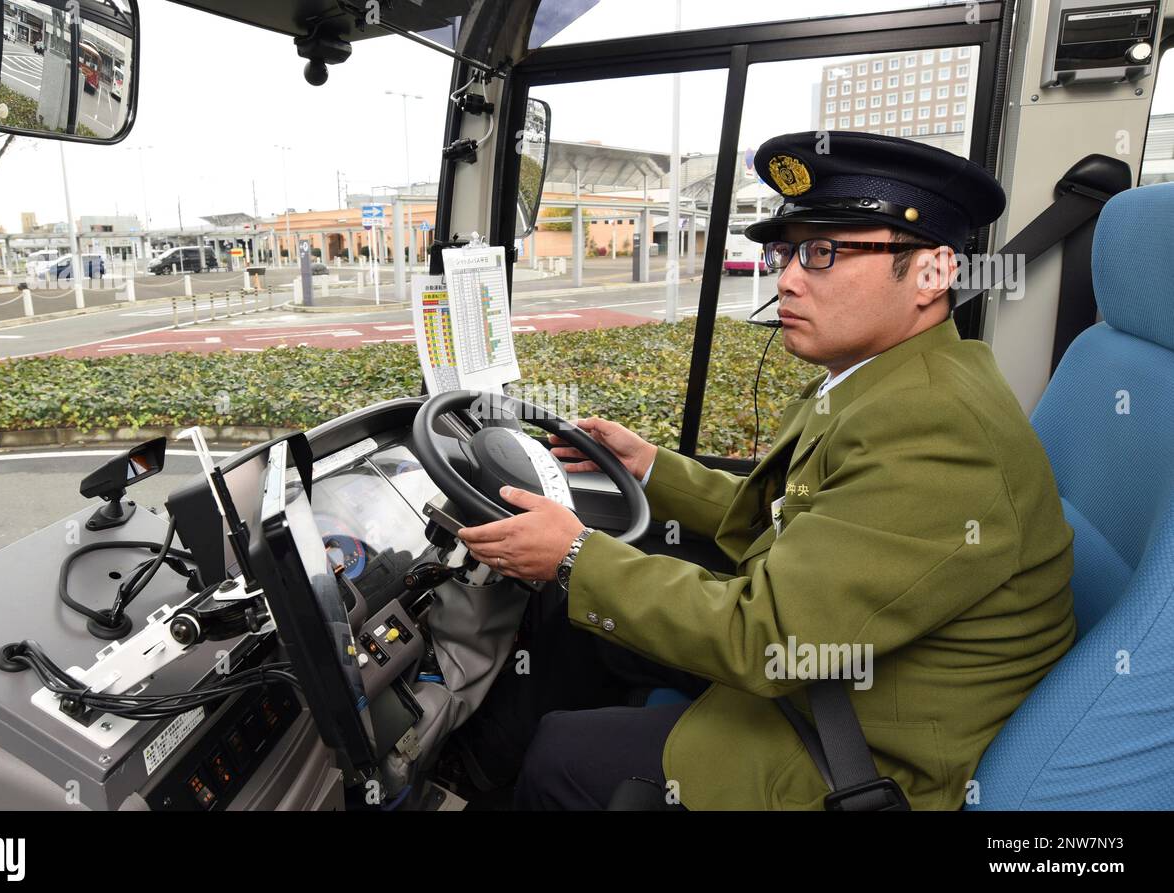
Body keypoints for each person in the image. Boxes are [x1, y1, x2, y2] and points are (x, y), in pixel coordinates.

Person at [456, 131, 1077, 810]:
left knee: (561, 753)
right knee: (584, 634)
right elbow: (803, 515)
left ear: (932, 273)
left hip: (858, 749)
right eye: (787, 252)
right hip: (838, 675)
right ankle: (472, 774)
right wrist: (654, 467)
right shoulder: (885, 380)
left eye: (823, 253)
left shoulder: (937, 427)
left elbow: (765, 636)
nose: (785, 278)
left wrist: (573, 555)